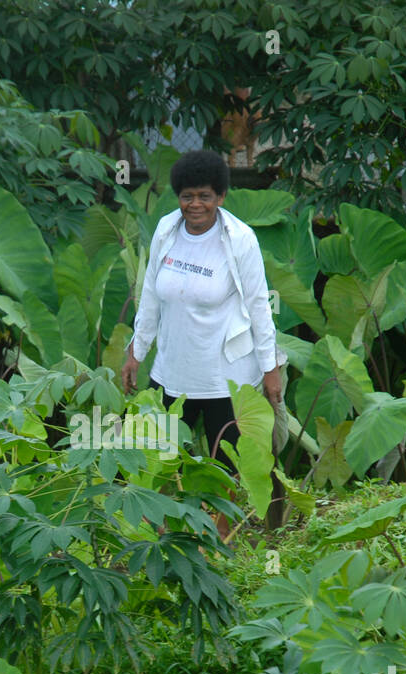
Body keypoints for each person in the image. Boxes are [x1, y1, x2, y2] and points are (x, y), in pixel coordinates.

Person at [119, 149, 285, 543]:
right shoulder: (165, 231)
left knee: (221, 466)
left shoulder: (239, 239)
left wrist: (269, 368)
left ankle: (218, 542)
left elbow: (259, 305)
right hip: (171, 371)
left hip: (222, 378)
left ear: (221, 197)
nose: (196, 205)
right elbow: (150, 296)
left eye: (205, 196)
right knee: (158, 460)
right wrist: (135, 351)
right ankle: (158, 538)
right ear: (178, 197)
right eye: (187, 196)